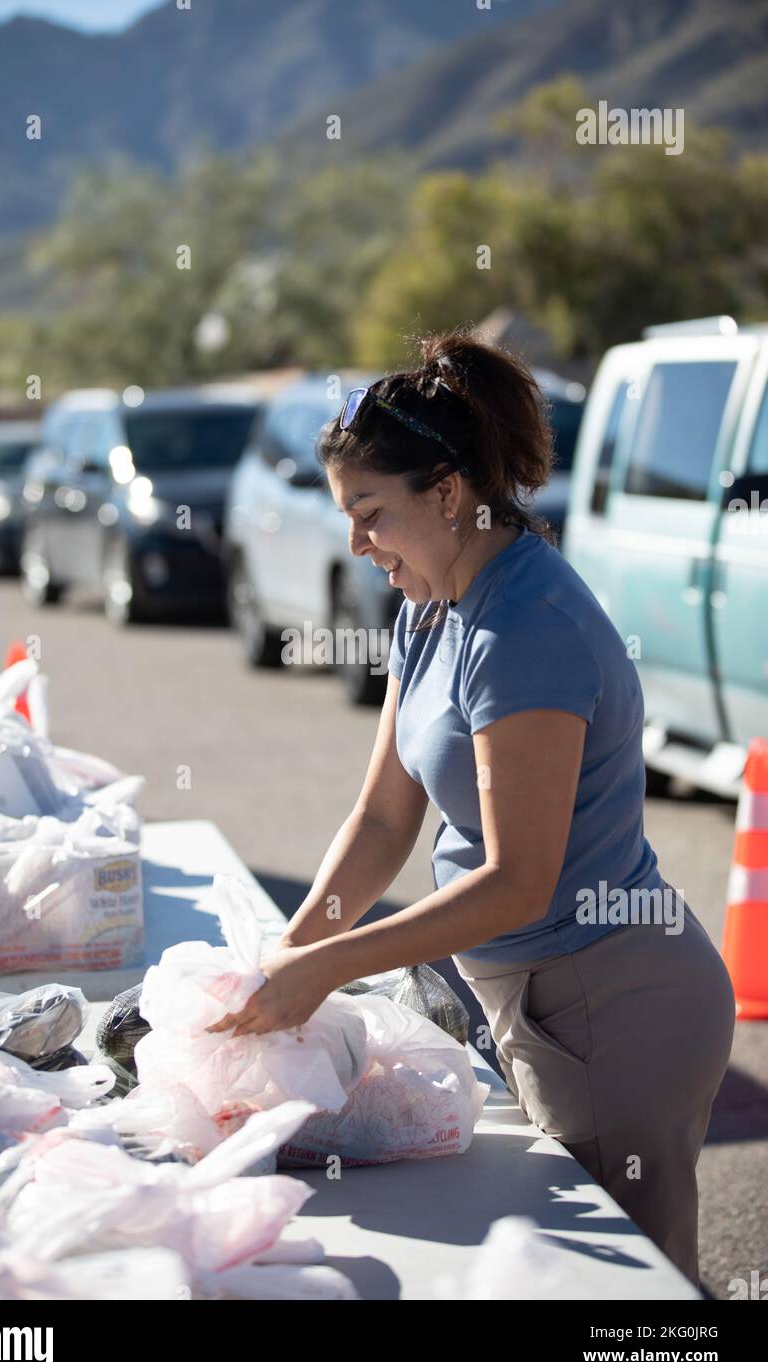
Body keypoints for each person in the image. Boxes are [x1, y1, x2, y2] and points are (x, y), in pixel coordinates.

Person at [207, 327, 736, 1288]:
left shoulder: (525, 628)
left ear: (447, 492)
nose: (357, 544)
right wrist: (283, 959)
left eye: (370, 514)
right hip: (545, 1001)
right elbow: (381, 820)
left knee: (632, 1304)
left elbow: (518, 882)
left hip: (614, 1010)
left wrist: (326, 971)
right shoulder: (434, 604)